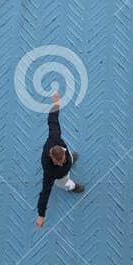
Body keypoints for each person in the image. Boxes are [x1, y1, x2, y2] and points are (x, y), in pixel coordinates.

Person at [35, 91, 87, 227]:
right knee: (66, 183)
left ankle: (72, 159)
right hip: (61, 177)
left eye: (63, 159)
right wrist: (41, 215)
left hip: (66, 158)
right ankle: (73, 187)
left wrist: (56, 104)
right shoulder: (49, 171)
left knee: (71, 156)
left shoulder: (55, 138)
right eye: (60, 162)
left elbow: (53, 120)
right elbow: (45, 193)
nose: (62, 161)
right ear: (52, 158)